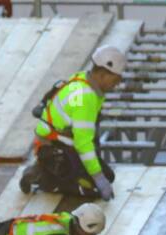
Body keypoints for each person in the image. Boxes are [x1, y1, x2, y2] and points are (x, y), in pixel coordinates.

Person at [19, 45, 126, 201]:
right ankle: (40, 176)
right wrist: (98, 178)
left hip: (60, 142)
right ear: (103, 74)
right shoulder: (85, 98)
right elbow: (83, 144)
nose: (117, 85)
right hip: (55, 149)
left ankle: (49, 169)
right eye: (115, 80)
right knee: (91, 189)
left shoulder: (83, 78)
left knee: (108, 176)